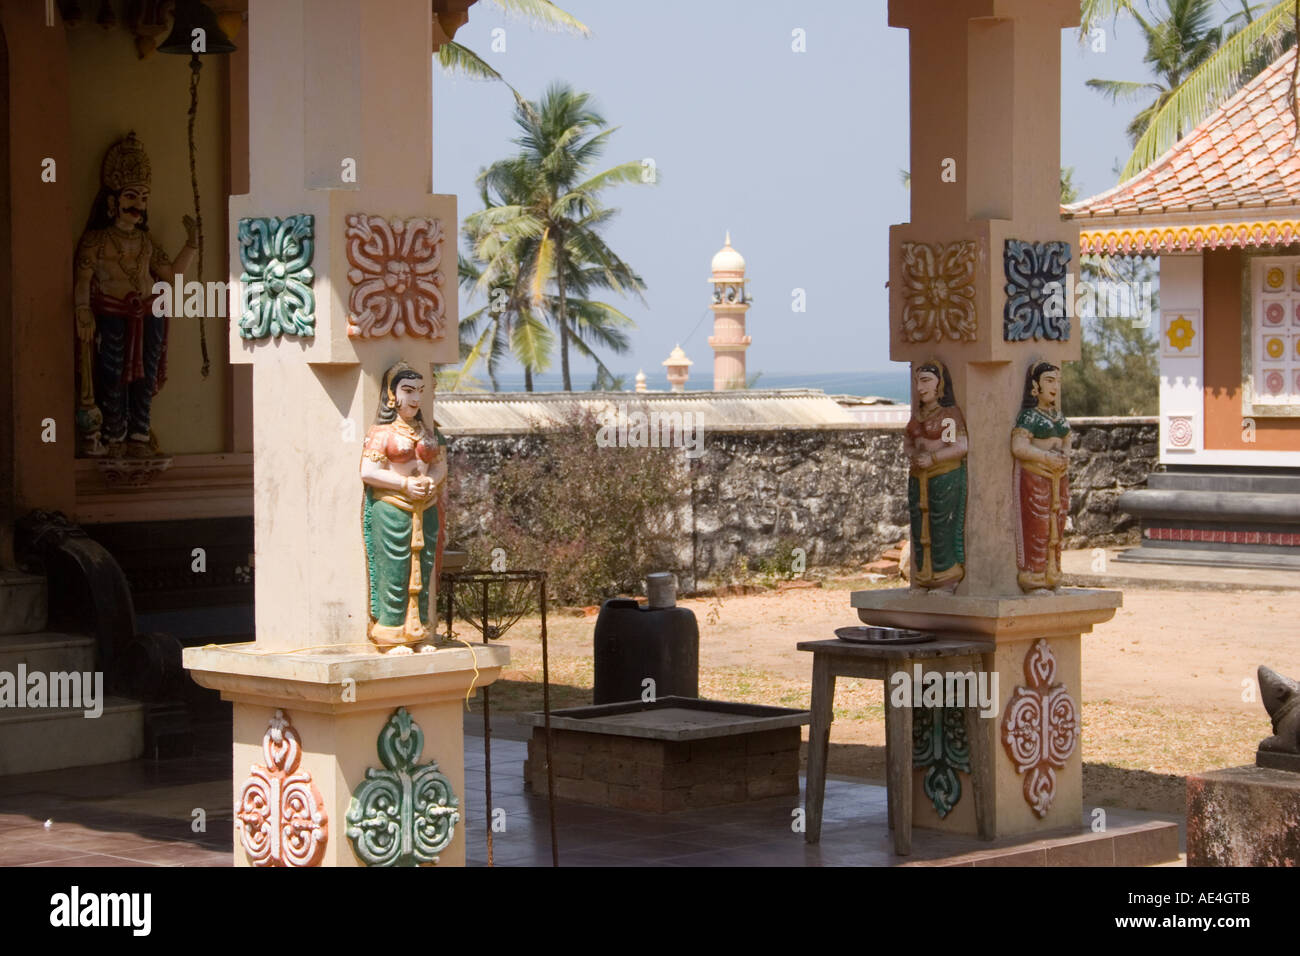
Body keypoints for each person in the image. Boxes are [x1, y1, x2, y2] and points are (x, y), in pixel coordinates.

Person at [73, 132, 196, 457]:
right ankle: (114, 435)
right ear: (113, 201)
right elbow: (83, 280)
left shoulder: (147, 242)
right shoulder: (95, 241)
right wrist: (83, 311)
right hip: (113, 316)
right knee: (112, 377)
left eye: (143, 199)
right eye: (131, 197)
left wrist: (192, 244)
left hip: (147, 316)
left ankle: (139, 435)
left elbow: (172, 276)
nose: (137, 206)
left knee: (145, 374)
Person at [360, 362, 448, 651]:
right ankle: (391, 632)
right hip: (393, 507)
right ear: (392, 394)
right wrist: (404, 485)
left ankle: (419, 631)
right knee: (395, 571)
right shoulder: (381, 432)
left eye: (420, 391)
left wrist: (431, 482)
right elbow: (369, 471)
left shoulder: (428, 431)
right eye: (407, 390)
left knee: (423, 571)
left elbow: (439, 466)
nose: (414, 398)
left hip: (426, 505)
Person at [904, 358, 968, 593]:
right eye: (917, 381)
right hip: (919, 477)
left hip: (944, 477)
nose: (920, 388)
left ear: (940, 384)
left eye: (926, 381)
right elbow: (908, 443)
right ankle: (924, 576)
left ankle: (945, 577)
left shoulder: (949, 415)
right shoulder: (918, 415)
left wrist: (933, 459)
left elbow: (960, 445)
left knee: (942, 526)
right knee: (921, 527)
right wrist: (913, 455)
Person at [1011, 361, 1071, 592]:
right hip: (1036, 478)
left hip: (1058, 478)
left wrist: (1064, 455)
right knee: (1038, 527)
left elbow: (1067, 439)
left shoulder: (1058, 415)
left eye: (1057, 381)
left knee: (1058, 525)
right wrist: (1046, 458)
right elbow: (1018, 446)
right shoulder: (1029, 416)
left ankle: (1052, 574)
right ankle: (1034, 577)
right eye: (1049, 380)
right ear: (1036, 386)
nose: (1055, 386)